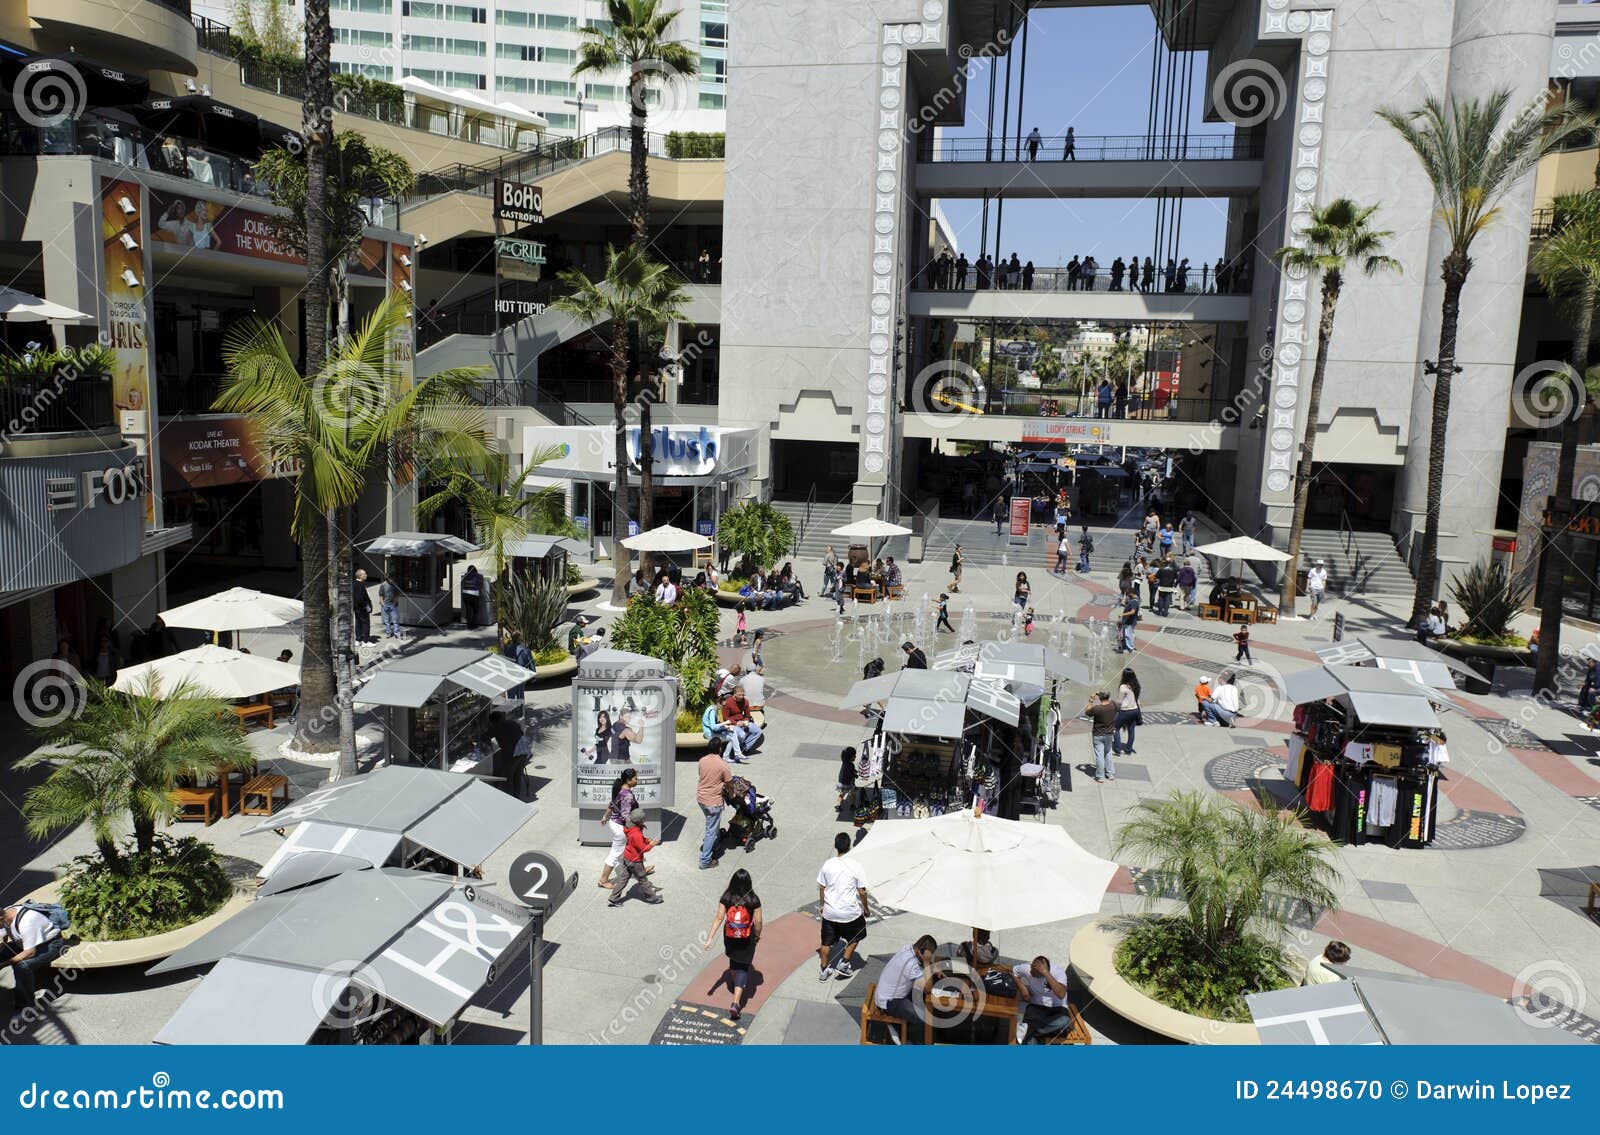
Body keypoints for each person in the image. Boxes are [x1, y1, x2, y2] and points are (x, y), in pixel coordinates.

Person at [703, 868, 763, 1020]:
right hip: (746, 937)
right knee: (743, 967)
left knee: (734, 961)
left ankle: (734, 976)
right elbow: (759, 922)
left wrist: (709, 938)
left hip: (730, 937)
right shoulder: (753, 899)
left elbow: (719, 917)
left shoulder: (727, 897)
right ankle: (736, 1002)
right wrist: (757, 936)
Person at [817, 831, 869, 980]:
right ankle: (844, 962)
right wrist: (866, 909)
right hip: (850, 913)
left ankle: (823, 970)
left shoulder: (827, 864)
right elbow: (862, 892)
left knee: (826, 942)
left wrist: (822, 905)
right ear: (850, 847)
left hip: (830, 912)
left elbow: (822, 887)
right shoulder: (856, 866)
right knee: (857, 935)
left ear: (835, 846)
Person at [1, 903, 68, 1015]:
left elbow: (30, 953)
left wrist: (3, 964)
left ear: (1, 919)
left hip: (50, 944)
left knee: (22, 966)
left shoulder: (27, 922)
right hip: (23, 943)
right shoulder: (6, 913)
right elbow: (3, 938)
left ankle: (26, 1007)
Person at [874, 934, 939, 1040]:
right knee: (924, 1018)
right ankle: (904, 1036)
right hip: (890, 1002)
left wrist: (932, 965)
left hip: (885, 994)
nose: (930, 957)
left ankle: (902, 1028)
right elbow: (928, 989)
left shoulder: (907, 948)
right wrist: (927, 964)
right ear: (920, 952)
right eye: (929, 955)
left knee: (921, 998)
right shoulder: (911, 965)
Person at [596, 768, 640, 889]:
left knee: (632, 848)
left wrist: (605, 816)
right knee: (615, 854)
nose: (637, 781)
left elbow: (612, 804)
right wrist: (635, 828)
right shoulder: (627, 795)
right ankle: (603, 880)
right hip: (621, 827)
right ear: (628, 780)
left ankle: (639, 870)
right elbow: (625, 815)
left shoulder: (620, 789)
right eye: (635, 779)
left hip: (614, 823)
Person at [609, 810, 663, 907]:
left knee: (623, 879)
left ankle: (614, 898)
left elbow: (636, 841)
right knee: (643, 879)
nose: (645, 820)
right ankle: (652, 898)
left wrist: (646, 840)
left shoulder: (631, 827)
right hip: (635, 861)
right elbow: (643, 849)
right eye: (644, 819)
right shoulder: (636, 833)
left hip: (627, 857)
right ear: (640, 820)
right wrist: (651, 844)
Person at [1013, 955, 1073, 1043]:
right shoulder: (1028, 968)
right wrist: (1023, 988)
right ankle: (1036, 1032)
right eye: (1031, 969)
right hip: (1036, 1006)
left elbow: (1061, 994)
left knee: (1065, 1021)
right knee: (1032, 1035)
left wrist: (1046, 973)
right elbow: (1013, 971)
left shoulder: (1058, 973)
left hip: (1058, 1007)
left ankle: (1030, 1031)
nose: (1031, 973)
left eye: (1035, 974)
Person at [697, 748, 732, 870]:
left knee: (712, 825)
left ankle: (715, 845)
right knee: (711, 831)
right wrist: (732, 794)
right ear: (720, 749)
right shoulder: (723, 764)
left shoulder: (702, 760)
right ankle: (705, 861)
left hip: (701, 799)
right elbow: (729, 783)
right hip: (713, 802)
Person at [1086, 691, 1118, 783]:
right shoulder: (1114, 705)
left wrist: (1091, 701)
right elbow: (1119, 705)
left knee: (1099, 755)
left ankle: (1100, 776)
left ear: (1100, 698)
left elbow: (1087, 712)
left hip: (1098, 734)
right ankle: (1110, 774)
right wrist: (1102, 694)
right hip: (1109, 734)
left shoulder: (1097, 708)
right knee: (1108, 753)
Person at [721, 686, 763, 753]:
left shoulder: (745, 701)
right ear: (734, 694)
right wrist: (736, 723)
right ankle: (738, 748)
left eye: (743, 695)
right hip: (732, 723)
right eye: (739, 695)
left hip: (742, 721)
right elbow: (725, 718)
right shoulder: (728, 703)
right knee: (742, 734)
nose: (741, 697)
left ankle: (744, 747)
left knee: (758, 731)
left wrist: (746, 721)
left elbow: (747, 715)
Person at [1114, 668, 1141, 756]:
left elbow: (1119, 701)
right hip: (1135, 710)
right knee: (1131, 730)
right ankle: (1128, 749)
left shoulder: (1123, 687)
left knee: (1115, 728)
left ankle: (1117, 749)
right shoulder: (1136, 686)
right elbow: (1138, 700)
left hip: (1125, 710)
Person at [352, 568, 374, 643]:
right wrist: (365, 606)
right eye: (364, 574)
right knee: (366, 624)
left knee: (358, 623)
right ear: (360, 576)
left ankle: (358, 639)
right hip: (362, 608)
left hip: (356, 608)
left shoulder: (354, 583)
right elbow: (360, 598)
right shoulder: (360, 585)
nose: (366, 575)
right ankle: (366, 641)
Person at [1117, 589, 1138, 653]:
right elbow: (1127, 606)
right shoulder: (1132, 600)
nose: (1127, 596)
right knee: (1129, 634)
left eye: (1128, 594)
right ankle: (1128, 646)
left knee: (1128, 635)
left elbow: (1132, 612)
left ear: (1131, 593)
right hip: (1128, 621)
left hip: (1129, 621)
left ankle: (1130, 648)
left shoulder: (1134, 601)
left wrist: (1123, 614)